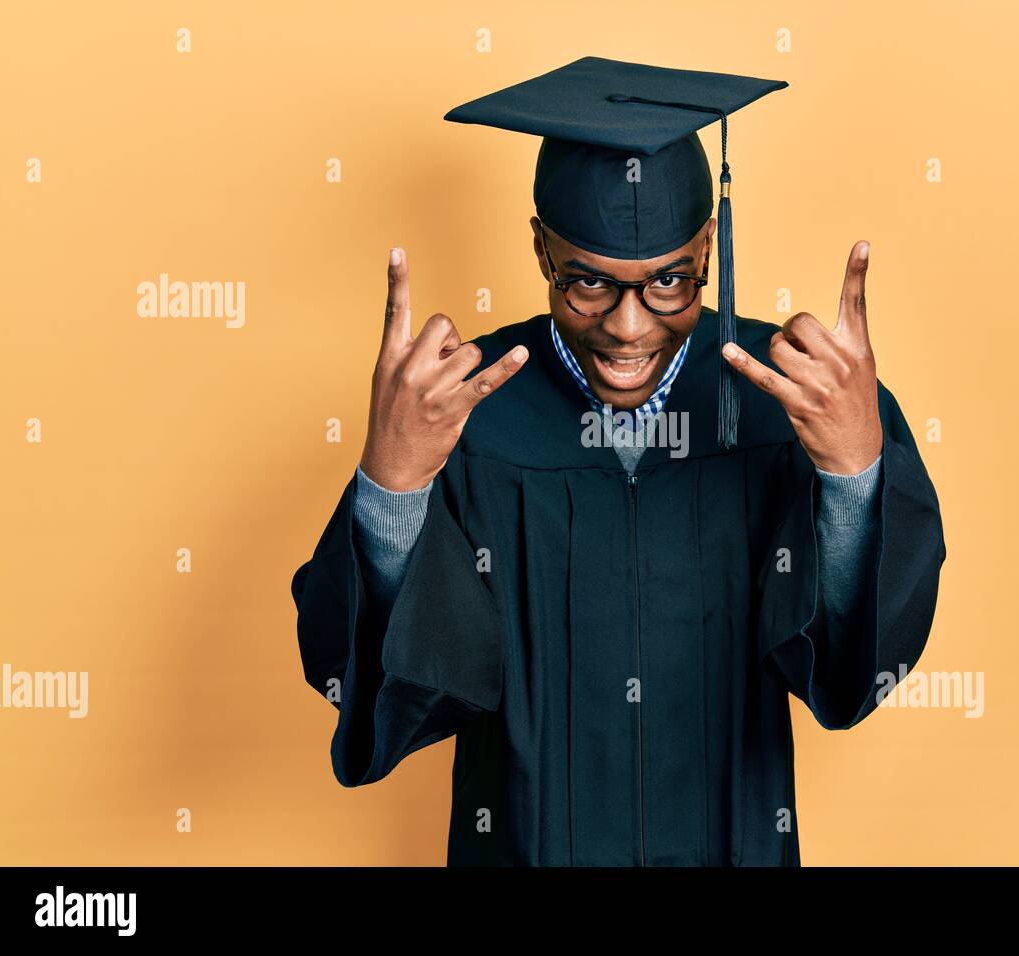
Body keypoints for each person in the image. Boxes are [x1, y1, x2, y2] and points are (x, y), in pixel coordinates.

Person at [291, 57, 945, 866]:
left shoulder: (798, 402)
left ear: (709, 244)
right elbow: (363, 685)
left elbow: (855, 668)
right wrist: (392, 486)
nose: (630, 327)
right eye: (589, 284)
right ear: (541, 249)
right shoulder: (457, 411)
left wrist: (852, 474)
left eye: (671, 280)